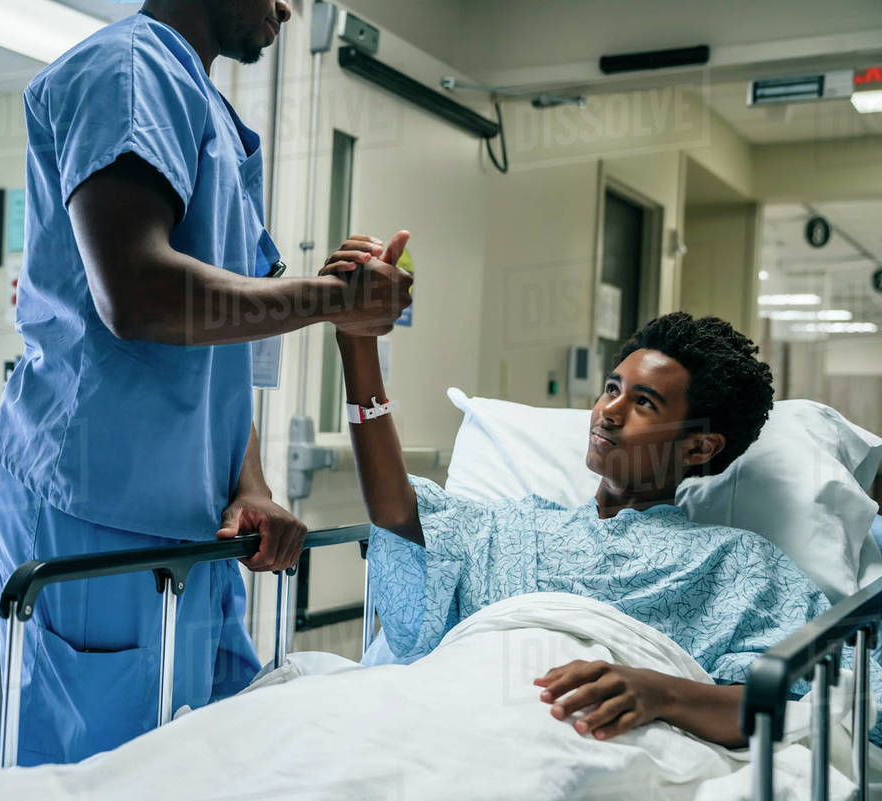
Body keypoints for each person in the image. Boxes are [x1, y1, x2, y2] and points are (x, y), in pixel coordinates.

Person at [0, 2, 413, 765]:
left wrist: (249, 483)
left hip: (195, 526)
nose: (287, 7)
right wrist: (330, 302)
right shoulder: (125, 71)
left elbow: (221, 344)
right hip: (98, 508)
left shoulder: (206, 114)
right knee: (100, 772)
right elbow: (138, 293)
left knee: (203, 763)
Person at [322, 236, 882, 747]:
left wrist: (660, 692)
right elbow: (396, 511)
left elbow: (803, 704)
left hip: (586, 744)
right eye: (612, 388)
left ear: (699, 448)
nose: (608, 412)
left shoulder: (739, 565)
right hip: (451, 713)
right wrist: (356, 342)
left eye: (644, 403)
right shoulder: (511, 526)